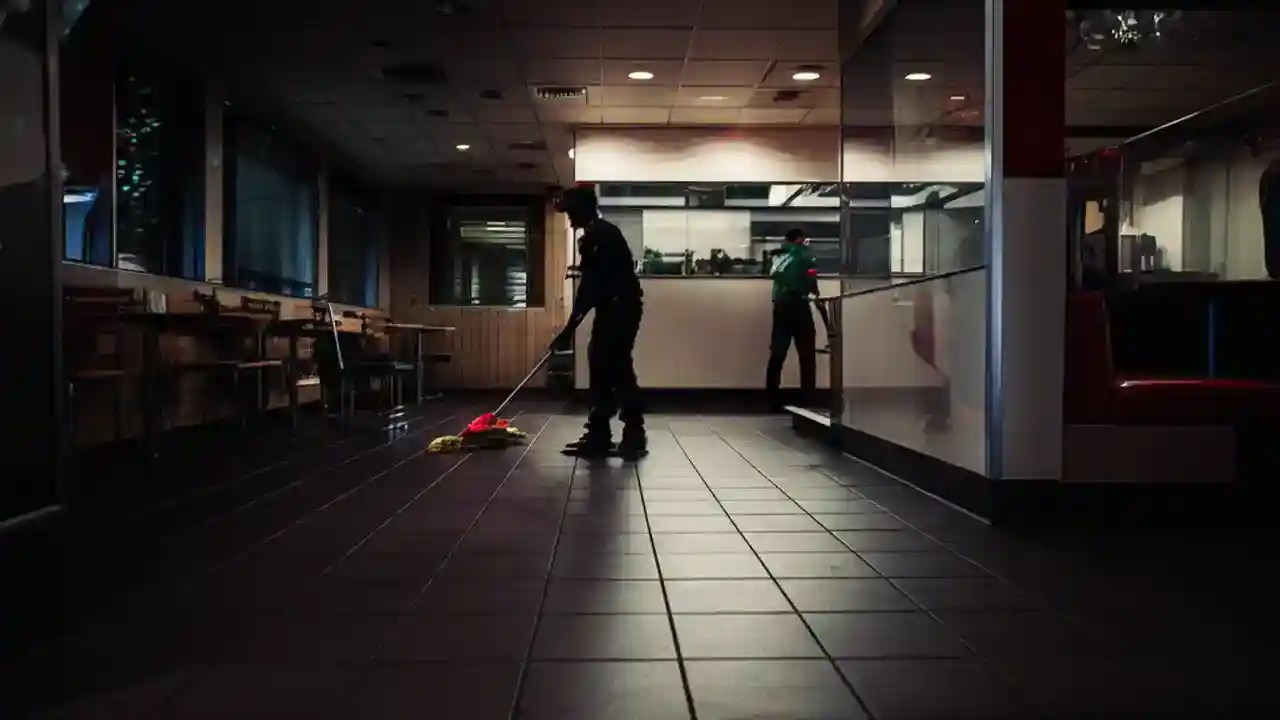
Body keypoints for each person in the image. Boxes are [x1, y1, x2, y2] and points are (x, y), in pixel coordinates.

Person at [553, 186, 646, 458]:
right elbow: (591, 288)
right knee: (601, 363)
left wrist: (568, 330)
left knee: (616, 366)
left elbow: (591, 287)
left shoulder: (600, 235)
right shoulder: (597, 233)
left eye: (570, 212)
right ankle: (600, 433)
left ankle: (633, 432)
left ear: (583, 208)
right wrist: (569, 328)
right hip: (613, 308)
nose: (569, 218)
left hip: (622, 308)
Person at [766, 228, 819, 411]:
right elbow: (812, 276)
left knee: (778, 352)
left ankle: (771, 397)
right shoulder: (804, 253)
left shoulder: (777, 255)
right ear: (800, 240)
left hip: (780, 306)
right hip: (799, 305)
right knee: (807, 353)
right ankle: (808, 397)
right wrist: (815, 294)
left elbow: (775, 275)